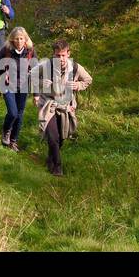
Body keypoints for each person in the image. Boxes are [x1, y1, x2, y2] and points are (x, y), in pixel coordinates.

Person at [34, 39, 93, 176]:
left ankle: (50, 159)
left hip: (66, 106)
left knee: (61, 138)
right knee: (53, 136)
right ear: (53, 55)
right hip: (48, 105)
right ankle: (58, 167)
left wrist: (78, 85)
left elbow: (88, 79)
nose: (60, 59)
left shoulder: (76, 67)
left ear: (68, 54)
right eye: (57, 55)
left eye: (63, 55)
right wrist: (42, 83)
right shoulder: (46, 65)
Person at [0, 27, 35, 150]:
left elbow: (35, 72)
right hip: (8, 85)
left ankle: (13, 141)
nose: (18, 41)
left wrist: (37, 94)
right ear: (12, 39)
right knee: (12, 112)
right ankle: (6, 131)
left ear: (25, 39)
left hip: (23, 86)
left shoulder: (30, 52)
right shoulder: (6, 51)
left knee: (19, 114)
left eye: (21, 38)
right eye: (16, 38)